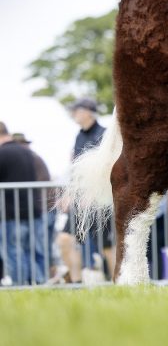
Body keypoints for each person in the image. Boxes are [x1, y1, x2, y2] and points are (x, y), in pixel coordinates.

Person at [57, 98, 115, 282]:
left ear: (89, 111)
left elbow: (108, 166)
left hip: (101, 198)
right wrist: (68, 193)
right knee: (64, 240)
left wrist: (94, 193)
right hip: (80, 199)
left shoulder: (105, 134)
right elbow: (75, 167)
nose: (74, 114)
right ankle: (77, 283)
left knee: (107, 246)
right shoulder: (78, 136)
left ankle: (117, 283)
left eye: (77, 110)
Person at [0, 122, 46, 285]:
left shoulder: (2, 153)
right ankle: (40, 283)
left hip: (11, 213)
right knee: (31, 252)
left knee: (14, 252)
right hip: (32, 211)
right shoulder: (26, 152)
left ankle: (19, 286)